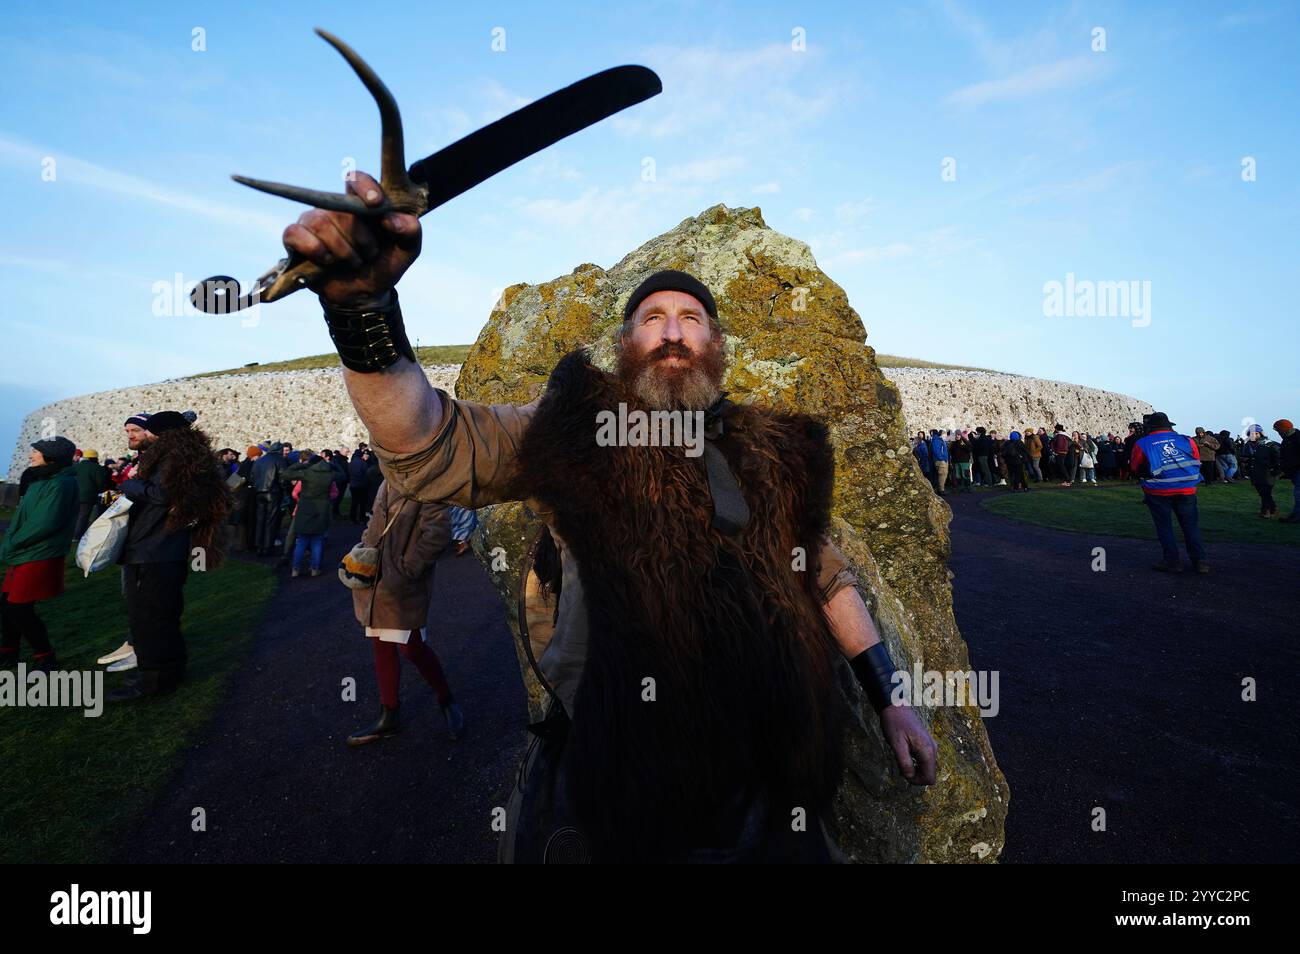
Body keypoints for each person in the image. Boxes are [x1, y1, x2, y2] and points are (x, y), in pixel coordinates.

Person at [282, 172, 937, 863]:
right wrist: (363, 313)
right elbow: (430, 446)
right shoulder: (579, 427)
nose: (673, 333)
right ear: (628, 342)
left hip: (764, 785)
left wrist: (889, 698)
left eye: (691, 319)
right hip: (614, 776)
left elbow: (828, 581)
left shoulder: (768, 454)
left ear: (716, 345)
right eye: (654, 319)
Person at [108, 411, 231, 702]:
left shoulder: (172, 458)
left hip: (154, 550)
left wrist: (129, 484)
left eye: (148, 431)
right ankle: (168, 673)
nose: (143, 436)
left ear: (161, 434)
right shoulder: (186, 456)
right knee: (163, 616)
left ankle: (153, 681)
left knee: (149, 619)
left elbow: (162, 496)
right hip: (163, 549)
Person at [347, 480, 465, 744]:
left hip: (402, 585)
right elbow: (374, 522)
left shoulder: (426, 485)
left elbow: (438, 533)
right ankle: (389, 715)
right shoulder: (385, 482)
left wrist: (407, 570)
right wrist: (363, 549)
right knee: (381, 645)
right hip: (376, 580)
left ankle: (446, 700)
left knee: (411, 648)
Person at [0, 436, 79, 672]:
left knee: (18, 607)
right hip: (27, 550)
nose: (30, 455)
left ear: (50, 457)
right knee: (6, 604)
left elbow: (46, 522)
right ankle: (8, 653)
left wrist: (13, 542)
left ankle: (46, 658)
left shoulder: (60, 484)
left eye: (35, 452)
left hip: (40, 551)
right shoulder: (42, 480)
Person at [1129, 411, 1208, 573]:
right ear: (1169, 426)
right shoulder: (1186, 440)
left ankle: (1172, 561)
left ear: (1150, 427)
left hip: (1158, 490)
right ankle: (1200, 562)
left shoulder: (1143, 443)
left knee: (1164, 527)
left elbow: (1135, 467)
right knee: (1191, 526)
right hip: (1186, 489)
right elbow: (1196, 459)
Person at [282, 449, 335, 577]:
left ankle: (296, 568)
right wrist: (330, 464)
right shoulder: (330, 475)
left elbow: (286, 474)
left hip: (306, 508)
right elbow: (343, 474)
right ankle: (315, 568)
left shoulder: (307, 473)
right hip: (321, 509)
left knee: (302, 541)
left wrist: (302, 464)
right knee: (317, 541)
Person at [251, 441, 285, 556]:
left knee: (260, 519)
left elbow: (253, 476)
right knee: (271, 520)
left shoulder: (260, 461)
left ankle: (258, 545)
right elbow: (283, 478)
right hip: (272, 492)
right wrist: (284, 491)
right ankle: (267, 547)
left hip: (259, 491)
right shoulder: (279, 460)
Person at [71, 448, 112, 541]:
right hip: (87, 496)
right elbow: (101, 483)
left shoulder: (76, 466)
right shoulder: (96, 468)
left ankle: (72, 534)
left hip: (74, 494)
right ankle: (76, 536)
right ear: (94, 458)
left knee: (75, 516)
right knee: (83, 516)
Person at [1243, 425, 1281, 518]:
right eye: (1251, 434)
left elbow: (1277, 457)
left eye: (1255, 433)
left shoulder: (1269, 444)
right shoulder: (1249, 445)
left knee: (1265, 492)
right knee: (1263, 492)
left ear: (1260, 433)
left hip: (1267, 472)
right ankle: (1273, 509)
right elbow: (1248, 457)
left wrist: (1275, 469)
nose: (1253, 435)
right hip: (1255, 471)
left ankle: (1265, 511)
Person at [1276, 418, 1300, 523]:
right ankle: (1295, 514)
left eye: (1278, 431)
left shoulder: (1296, 438)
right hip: (1294, 471)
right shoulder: (1287, 439)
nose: (1278, 433)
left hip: (1298, 469)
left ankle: (1296, 516)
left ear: (1284, 429)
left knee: (1298, 494)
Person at [348, 447, 370, 523]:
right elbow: (366, 474)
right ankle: (361, 518)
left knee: (354, 502)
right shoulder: (363, 463)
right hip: (361, 485)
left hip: (353, 484)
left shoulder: (350, 464)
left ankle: (352, 518)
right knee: (362, 503)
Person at [927, 429, 949, 496]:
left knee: (943, 474)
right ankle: (941, 490)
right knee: (942, 474)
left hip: (941, 459)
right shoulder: (936, 440)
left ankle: (940, 488)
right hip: (940, 460)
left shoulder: (937, 440)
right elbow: (936, 451)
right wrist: (942, 458)